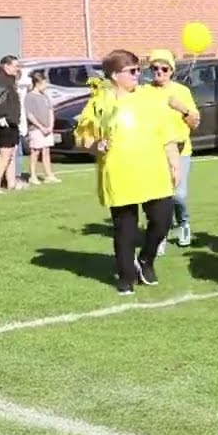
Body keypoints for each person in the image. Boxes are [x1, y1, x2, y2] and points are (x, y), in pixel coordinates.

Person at [81, 50, 181, 295]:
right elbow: (83, 137)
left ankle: (146, 259)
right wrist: (96, 146)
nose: (139, 75)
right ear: (115, 76)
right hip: (120, 173)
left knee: (162, 220)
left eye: (139, 70)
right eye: (132, 71)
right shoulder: (101, 101)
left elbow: (166, 135)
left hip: (154, 172)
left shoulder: (149, 98)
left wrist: (175, 163)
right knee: (125, 228)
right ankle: (126, 275)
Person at [144, 50, 200, 249]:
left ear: (171, 71)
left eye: (164, 68)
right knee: (159, 197)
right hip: (154, 152)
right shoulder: (144, 91)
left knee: (178, 195)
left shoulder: (182, 91)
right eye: (155, 68)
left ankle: (183, 223)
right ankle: (161, 233)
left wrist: (182, 108)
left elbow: (195, 123)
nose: (159, 72)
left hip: (180, 150)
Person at [0, 55, 22, 193]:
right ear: (6, 66)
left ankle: (11, 184)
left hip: (12, 121)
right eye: (15, 66)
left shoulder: (9, 80)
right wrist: (1, 115)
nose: (17, 69)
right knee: (5, 154)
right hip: (4, 122)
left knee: (12, 154)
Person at [23, 70, 59, 184]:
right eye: (44, 83)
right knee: (35, 152)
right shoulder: (29, 96)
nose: (46, 86)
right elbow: (30, 114)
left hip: (47, 128)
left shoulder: (45, 96)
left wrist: (50, 126)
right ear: (38, 83)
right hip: (36, 129)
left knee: (46, 151)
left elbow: (50, 111)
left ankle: (49, 174)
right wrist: (40, 127)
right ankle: (32, 176)